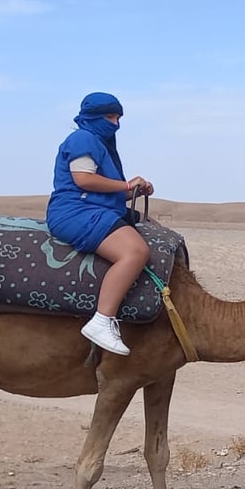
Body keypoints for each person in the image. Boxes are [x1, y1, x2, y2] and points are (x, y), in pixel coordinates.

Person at [46, 91, 154, 355]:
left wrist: (136, 191)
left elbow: (108, 189)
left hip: (93, 208)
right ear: (92, 116)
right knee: (135, 251)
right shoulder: (83, 138)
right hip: (75, 212)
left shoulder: (101, 144)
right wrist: (128, 185)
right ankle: (102, 319)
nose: (115, 123)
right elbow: (83, 180)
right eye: (109, 116)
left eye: (118, 117)